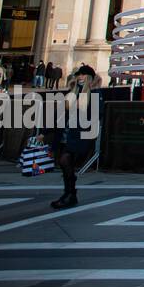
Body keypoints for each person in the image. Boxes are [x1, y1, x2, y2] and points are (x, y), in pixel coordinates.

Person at [49, 65, 97, 211]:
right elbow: (58, 115)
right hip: (65, 134)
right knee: (64, 164)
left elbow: (95, 115)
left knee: (65, 161)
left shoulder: (94, 94)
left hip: (80, 136)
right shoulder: (72, 92)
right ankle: (69, 193)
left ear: (89, 78)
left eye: (83, 75)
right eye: (79, 75)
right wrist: (44, 133)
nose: (80, 77)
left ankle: (70, 194)